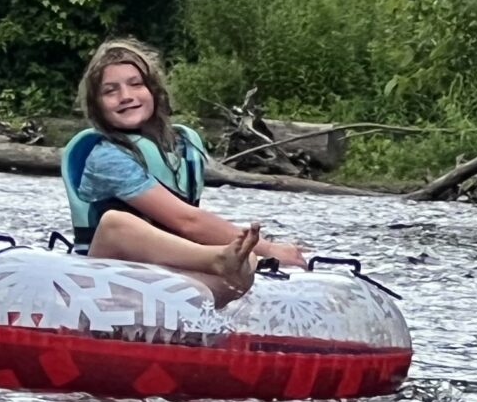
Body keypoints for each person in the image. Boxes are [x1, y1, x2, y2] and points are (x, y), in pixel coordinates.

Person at [59, 37, 308, 305]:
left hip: (155, 275)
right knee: (117, 224)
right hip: (101, 278)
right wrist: (269, 250)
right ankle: (217, 260)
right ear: (97, 106)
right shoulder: (107, 156)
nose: (126, 96)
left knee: (245, 262)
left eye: (136, 84)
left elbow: (191, 228)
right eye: (110, 91)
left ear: (154, 90)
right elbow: (187, 221)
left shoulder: (182, 146)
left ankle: (209, 287)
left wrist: (253, 254)